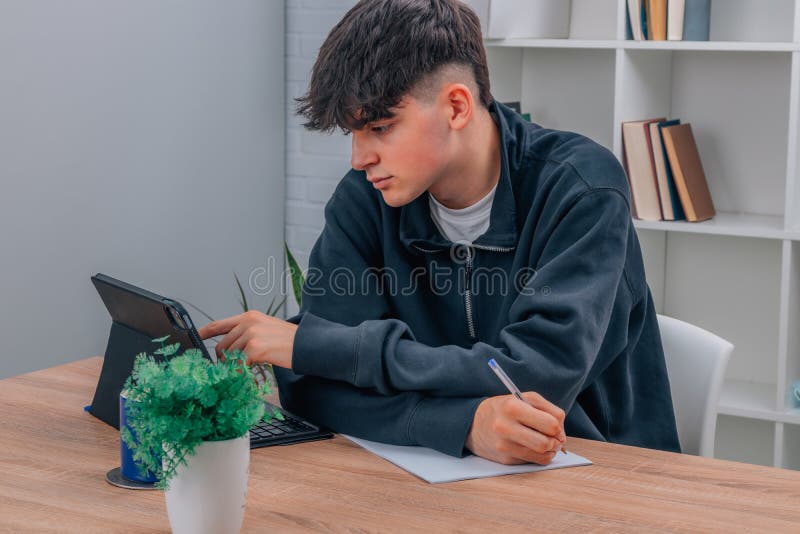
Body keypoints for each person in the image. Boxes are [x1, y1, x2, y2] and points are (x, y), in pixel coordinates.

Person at [198, 0, 680, 465]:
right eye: (354, 134)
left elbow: (532, 379)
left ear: (456, 107)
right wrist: (464, 425)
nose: (359, 158)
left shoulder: (581, 189)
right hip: (435, 479)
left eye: (381, 128)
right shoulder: (363, 200)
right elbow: (313, 389)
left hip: (600, 471)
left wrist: (321, 349)